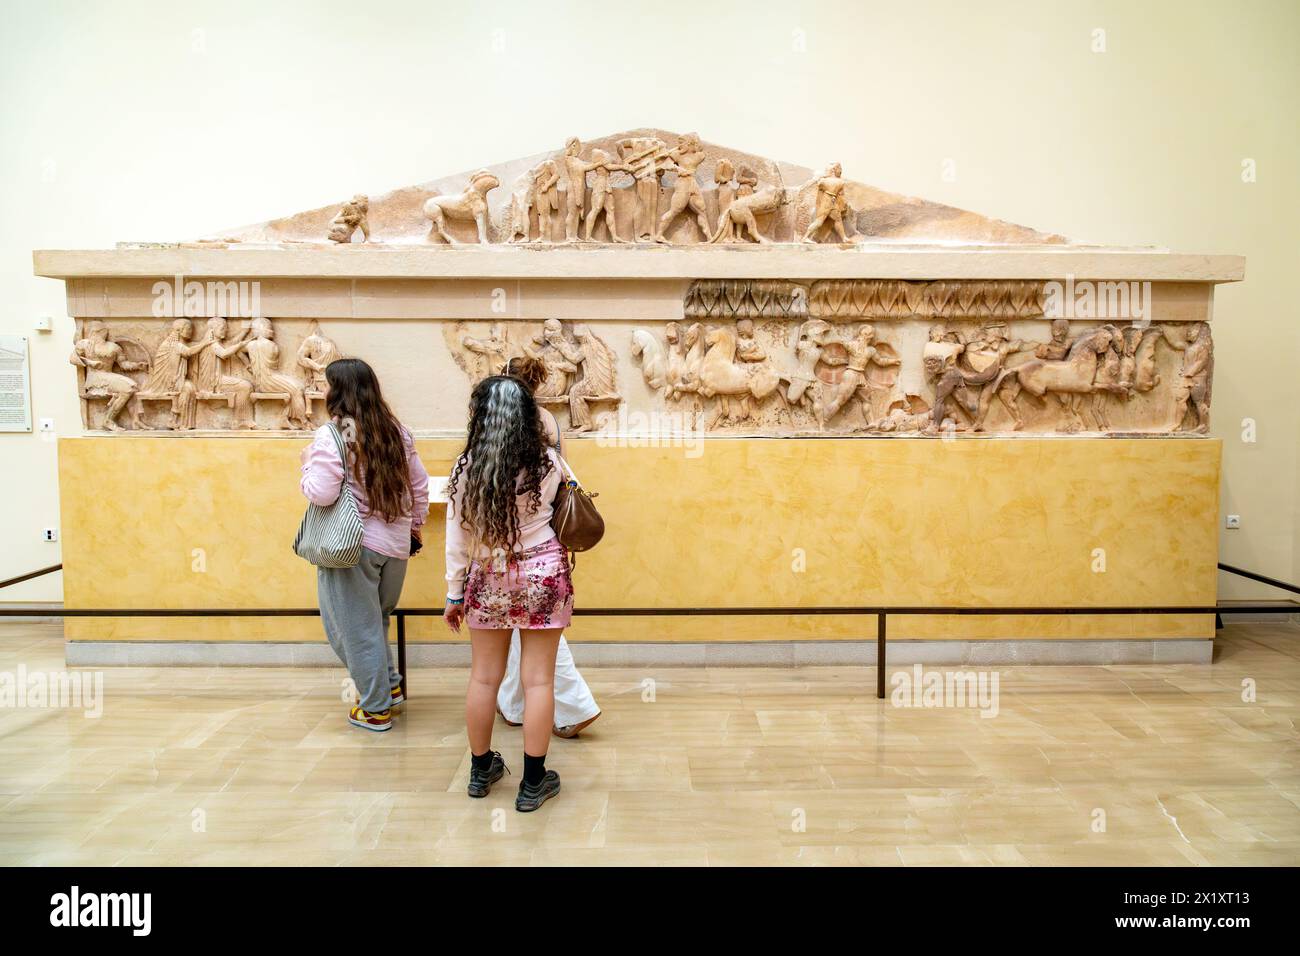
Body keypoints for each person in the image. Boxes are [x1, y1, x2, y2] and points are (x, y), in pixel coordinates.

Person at [444, 374, 573, 812]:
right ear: (525, 416)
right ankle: (533, 783)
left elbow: (458, 538)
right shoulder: (549, 464)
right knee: (538, 680)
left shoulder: (466, 471)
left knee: (484, 677)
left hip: (490, 576)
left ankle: (481, 772)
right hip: (543, 574)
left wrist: (454, 594)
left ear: (479, 416)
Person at [301, 358, 429, 733]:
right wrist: (414, 528)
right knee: (377, 620)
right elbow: (418, 486)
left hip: (352, 547)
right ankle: (388, 688)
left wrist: (306, 464)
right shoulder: (397, 432)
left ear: (336, 390)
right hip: (395, 546)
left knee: (354, 628)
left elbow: (322, 493)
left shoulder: (332, 434)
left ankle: (374, 709)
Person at [496, 356, 601, 738]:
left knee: (538, 630)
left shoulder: (506, 420)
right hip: (546, 535)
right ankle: (512, 704)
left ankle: (576, 707)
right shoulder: (549, 421)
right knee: (523, 624)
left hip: (513, 540)